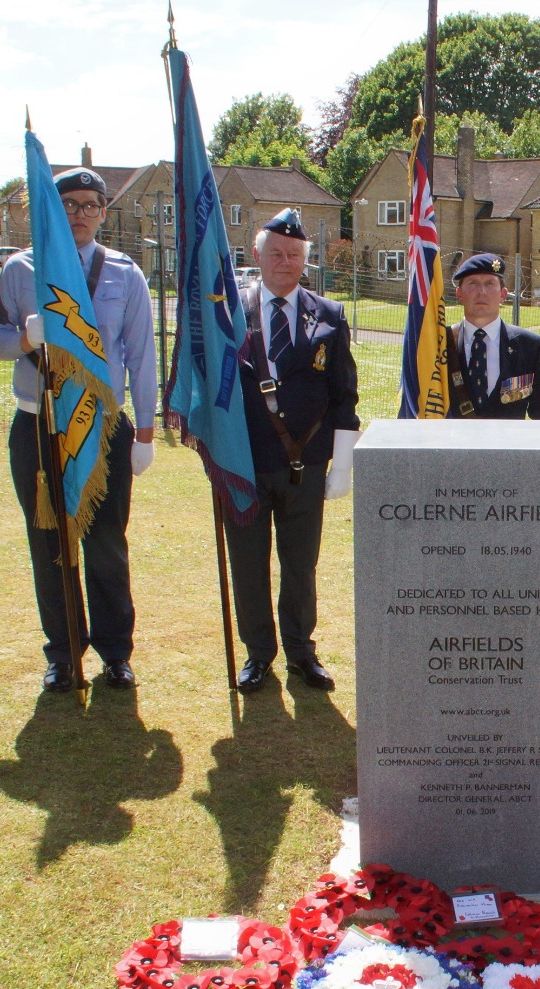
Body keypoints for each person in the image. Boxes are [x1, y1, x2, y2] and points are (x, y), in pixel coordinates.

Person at [0, 166, 157, 693]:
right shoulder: (19, 270)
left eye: (91, 205)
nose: (80, 214)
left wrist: (145, 433)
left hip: (102, 425)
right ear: (52, 212)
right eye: (69, 205)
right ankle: (62, 652)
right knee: (48, 541)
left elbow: (141, 355)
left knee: (106, 544)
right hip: (38, 425)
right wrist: (25, 339)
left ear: (103, 213)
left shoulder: (125, 273)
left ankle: (115, 653)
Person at [226, 209, 360, 694]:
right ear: (257, 255)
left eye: (294, 255)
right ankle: (258, 653)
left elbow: (344, 394)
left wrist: (342, 464)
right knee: (248, 562)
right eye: (276, 253)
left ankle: (301, 651)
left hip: (305, 465)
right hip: (243, 464)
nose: (285, 261)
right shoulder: (230, 312)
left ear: (306, 260)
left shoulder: (328, 315)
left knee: (301, 564)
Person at [447, 253, 540, 419]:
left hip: (509, 437)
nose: (481, 292)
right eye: (473, 284)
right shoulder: (439, 343)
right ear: (459, 294)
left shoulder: (530, 346)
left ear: (503, 295)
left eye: (490, 284)